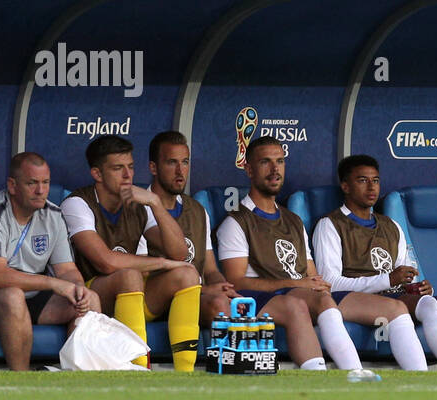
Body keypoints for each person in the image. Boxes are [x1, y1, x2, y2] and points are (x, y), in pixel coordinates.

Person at [140, 131, 322, 369]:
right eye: (171, 162)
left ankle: (246, 371)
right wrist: (207, 288)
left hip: (195, 295)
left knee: (226, 301)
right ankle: (230, 370)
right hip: (158, 299)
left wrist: (222, 285)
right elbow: (147, 272)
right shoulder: (141, 207)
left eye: (184, 162)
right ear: (153, 167)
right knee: (213, 298)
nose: (180, 171)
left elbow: (211, 268)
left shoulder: (197, 210)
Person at [0, 152, 101, 371]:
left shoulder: (53, 214)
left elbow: (66, 270)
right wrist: (54, 283)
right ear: (12, 185)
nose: (41, 190)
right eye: (32, 183)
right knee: (12, 295)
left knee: (89, 299)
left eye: (45, 182)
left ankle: (78, 380)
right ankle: (22, 381)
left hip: (27, 296)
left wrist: (78, 289)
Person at [312, 155, 437, 371]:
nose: (371, 187)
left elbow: (406, 273)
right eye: (362, 180)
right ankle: (419, 377)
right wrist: (387, 280)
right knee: (397, 306)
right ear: (346, 186)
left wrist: (419, 287)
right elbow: (330, 283)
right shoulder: (330, 225)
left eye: (375, 181)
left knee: (430, 304)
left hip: (394, 296)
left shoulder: (391, 225)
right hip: (355, 299)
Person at [216, 136, 359, 371]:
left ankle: (355, 373)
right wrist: (297, 283)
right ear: (249, 169)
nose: (275, 169)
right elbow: (235, 282)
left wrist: (316, 285)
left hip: (298, 292)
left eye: (280, 161)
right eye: (266, 162)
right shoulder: (237, 221)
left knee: (325, 297)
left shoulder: (293, 220)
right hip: (257, 299)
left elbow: (311, 274)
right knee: (299, 304)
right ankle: (328, 375)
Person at [62, 135, 200, 370]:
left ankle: (185, 372)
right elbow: (105, 262)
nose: (128, 176)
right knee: (129, 275)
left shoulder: (136, 204)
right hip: (90, 298)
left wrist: (155, 203)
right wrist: (161, 263)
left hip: (131, 297)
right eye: (118, 169)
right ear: (97, 174)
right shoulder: (77, 203)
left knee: (187, 274)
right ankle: (137, 368)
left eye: (131, 167)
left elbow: (179, 254)